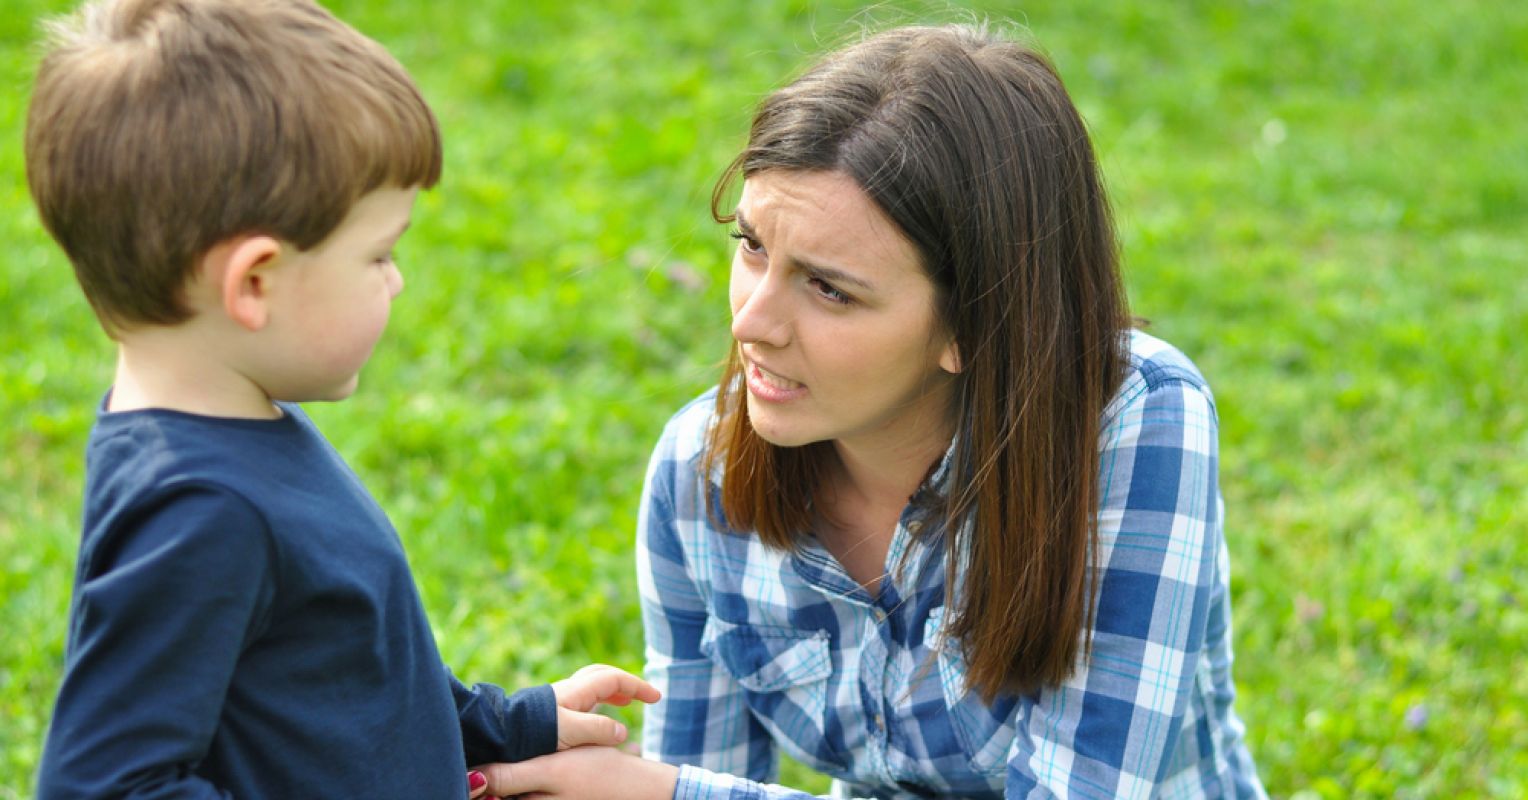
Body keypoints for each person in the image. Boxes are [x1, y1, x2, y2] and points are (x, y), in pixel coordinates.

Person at [479, 23, 1266, 800]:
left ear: (976, 325)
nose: (750, 321)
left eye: (830, 288)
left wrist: (667, 795)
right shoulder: (699, 474)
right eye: (751, 246)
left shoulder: (1131, 423)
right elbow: (706, 762)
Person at [26, 1, 657, 797]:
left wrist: (503, 723)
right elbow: (105, 784)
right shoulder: (201, 513)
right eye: (379, 255)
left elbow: (333, 669)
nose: (397, 279)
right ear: (254, 282)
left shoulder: (234, 424)